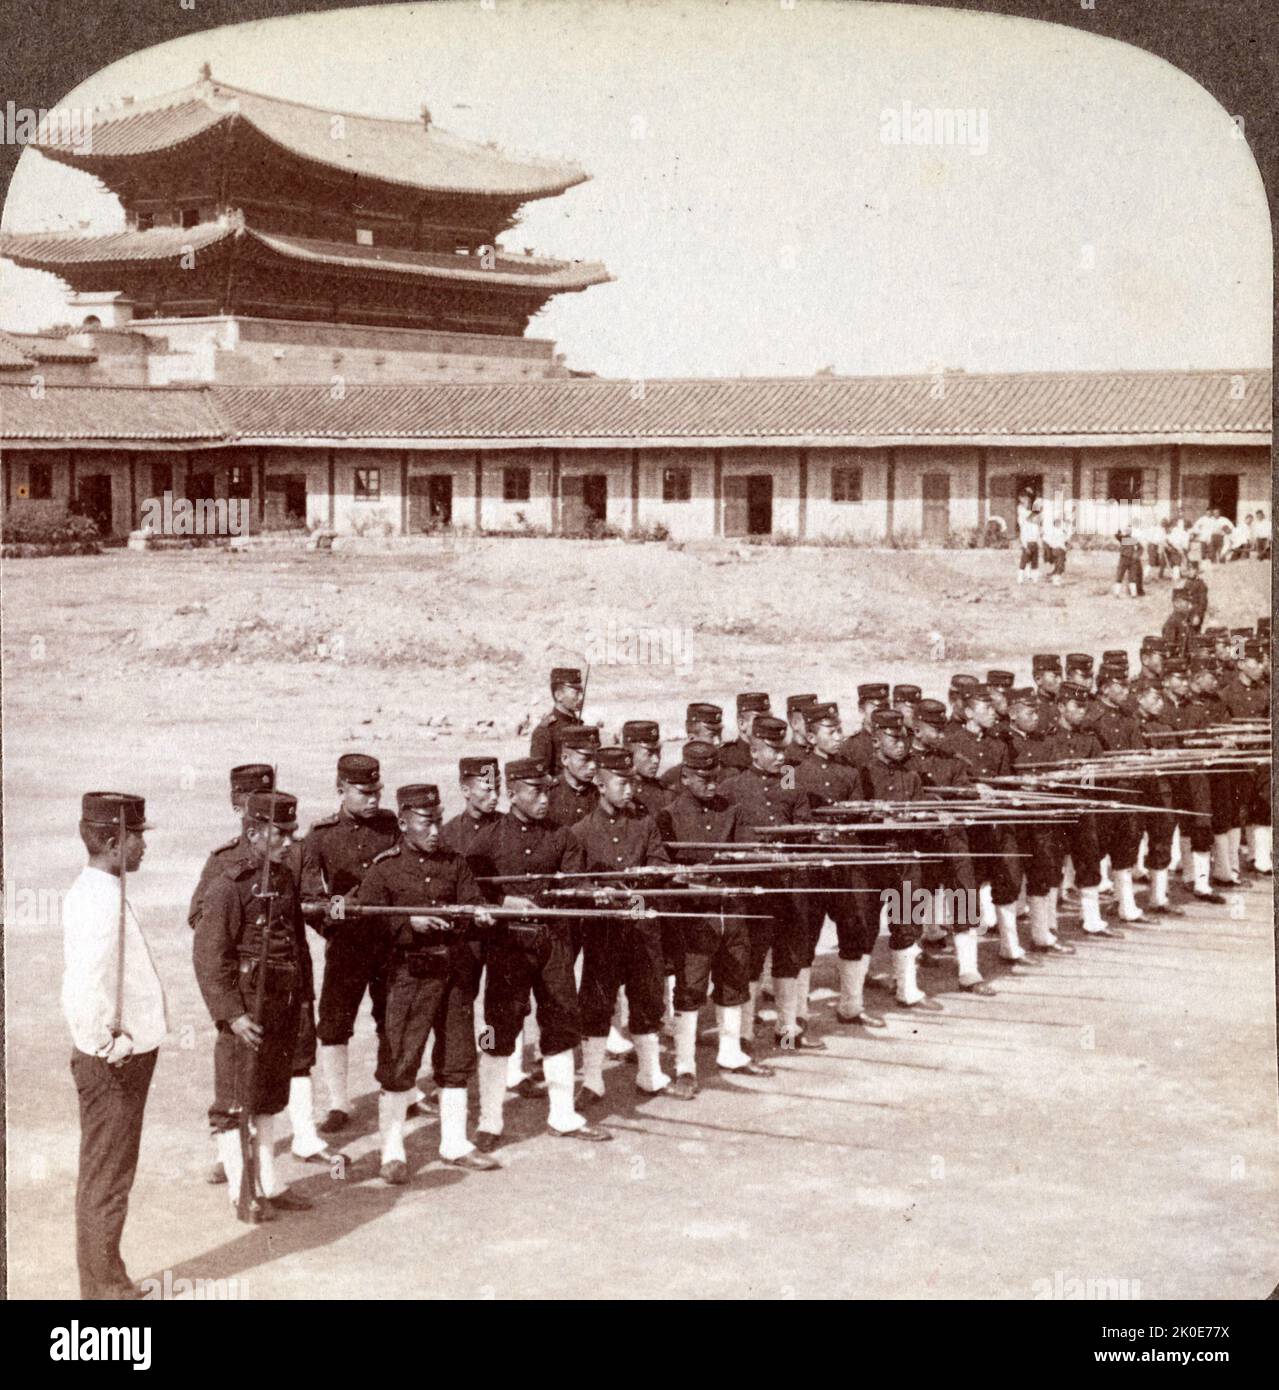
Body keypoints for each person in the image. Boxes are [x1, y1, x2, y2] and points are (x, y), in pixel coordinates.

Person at [190, 763, 334, 1182]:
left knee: (270, 1097)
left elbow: (297, 934)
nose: (290, 843)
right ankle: (241, 1186)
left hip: (281, 1000)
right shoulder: (227, 879)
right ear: (253, 833)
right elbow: (209, 952)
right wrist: (232, 1012)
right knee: (236, 1099)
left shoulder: (285, 876)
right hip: (245, 1007)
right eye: (280, 834)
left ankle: (268, 1183)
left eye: (292, 833)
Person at [357, 783, 500, 1181]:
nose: (436, 831)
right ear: (404, 823)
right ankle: (392, 1152)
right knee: (400, 1062)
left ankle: (454, 1144)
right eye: (426, 823)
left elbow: (471, 900)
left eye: (438, 821)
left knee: (457, 1061)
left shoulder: (455, 863)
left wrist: (480, 913)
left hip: (453, 976)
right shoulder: (384, 869)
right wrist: (408, 924)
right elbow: (366, 924)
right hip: (409, 979)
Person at [468, 759, 612, 1147]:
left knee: (561, 1023)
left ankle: (563, 1115)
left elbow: (573, 885)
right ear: (512, 794)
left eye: (547, 790)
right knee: (497, 1030)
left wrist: (590, 893)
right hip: (508, 948)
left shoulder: (562, 836)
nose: (545, 799)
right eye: (535, 792)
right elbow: (471, 892)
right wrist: (504, 902)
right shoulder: (487, 840)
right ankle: (489, 1120)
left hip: (554, 945)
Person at [63, 791, 167, 1298]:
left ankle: (105, 1280)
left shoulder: (100, 889)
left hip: (118, 1058)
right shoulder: (98, 901)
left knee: (106, 1174)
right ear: (111, 843)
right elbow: (83, 984)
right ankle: (105, 1291)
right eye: (137, 837)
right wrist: (106, 1041)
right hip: (113, 1065)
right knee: (108, 1178)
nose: (144, 846)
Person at [656, 741, 776, 1095]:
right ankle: (685, 1066)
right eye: (703, 778)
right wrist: (685, 874)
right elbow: (662, 869)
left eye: (715, 777)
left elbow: (747, 851)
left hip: (732, 909)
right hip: (694, 917)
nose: (712, 785)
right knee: (690, 989)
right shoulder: (669, 816)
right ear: (685, 777)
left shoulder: (732, 810)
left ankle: (731, 1052)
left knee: (734, 980)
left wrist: (742, 859)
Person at [567, 747, 675, 1100]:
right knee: (597, 1004)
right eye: (621, 783)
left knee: (646, 1000)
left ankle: (650, 1074)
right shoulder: (581, 832)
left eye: (631, 782)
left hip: (642, 929)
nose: (629, 789)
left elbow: (659, 864)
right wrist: (596, 892)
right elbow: (576, 883)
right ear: (600, 784)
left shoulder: (645, 824)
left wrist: (651, 875)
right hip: (604, 934)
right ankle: (592, 1080)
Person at [301, 753, 401, 1134]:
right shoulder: (320, 836)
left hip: (389, 942)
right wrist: (339, 919)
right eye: (364, 792)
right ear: (341, 789)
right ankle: (338, 1102)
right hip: (347, 945)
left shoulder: (391, 826)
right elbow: (312, 900)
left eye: (377, 791)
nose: (373, 799)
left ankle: (398, 1091)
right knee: (334, 1023)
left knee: (391, 1019)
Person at [721, 714, 822, 1049]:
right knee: (751, 959)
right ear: (754, 751)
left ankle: (787, 1030)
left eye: (783, 750)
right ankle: (744, 1034)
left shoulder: (789, 779)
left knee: (789, 957)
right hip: (755, 887)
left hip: (789, 885)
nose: (781, 756)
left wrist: (792, 842)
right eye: (773, 750)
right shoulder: (733, 787)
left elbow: (801, 823)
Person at [529, 667, 586, 776]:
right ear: (558, 695)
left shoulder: (578, 725)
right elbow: (540, 775)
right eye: (576, 692)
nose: (581, 697)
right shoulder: (546, 731)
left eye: (582, 692)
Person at [546, 724, 601, 830]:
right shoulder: (548, 794)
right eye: (586, 759)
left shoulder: (600, 795)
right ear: (565, 759)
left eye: (596, 759)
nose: (593, 766)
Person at [659, 703, 724, 788]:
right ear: (692, 739)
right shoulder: (671, 779)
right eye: (711, 736)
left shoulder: (731, 771)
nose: (718, 741)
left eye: (720, 734)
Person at [720, 693, 771, 773]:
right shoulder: (724, 757)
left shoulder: (777, 756)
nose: (766, 724)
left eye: (768, 719)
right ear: (742, 724)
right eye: (759, 719)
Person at [1016, 492, 1041, 583]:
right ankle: (1020, 577)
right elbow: (1023, 536)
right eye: (1033, 518)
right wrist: (1025, 546)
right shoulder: (1025, 523)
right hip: (1027, 543)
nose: (1034, 519)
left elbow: (1038, 536)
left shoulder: (1036, 526)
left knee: (1035, 561)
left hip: (1035, 544)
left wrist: (1039, 544)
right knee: (1024, 560)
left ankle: (1034, 577)